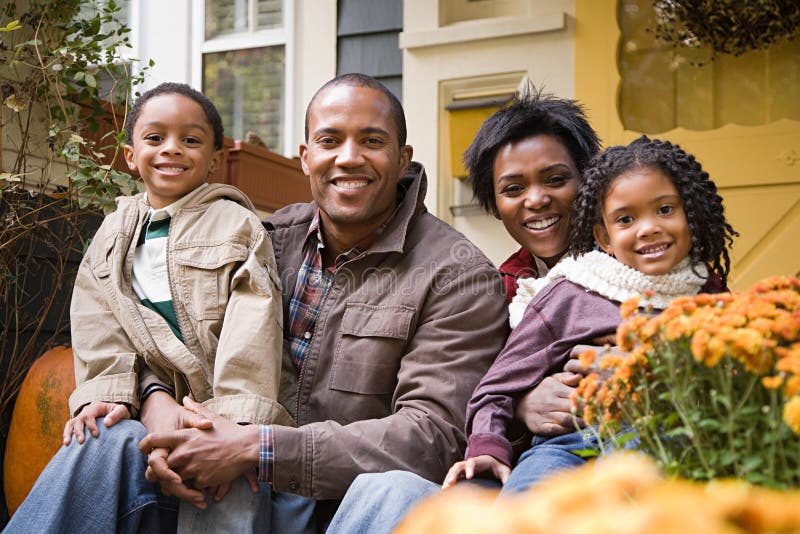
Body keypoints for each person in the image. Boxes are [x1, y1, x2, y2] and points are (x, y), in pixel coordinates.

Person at [6, 74, 509, 533]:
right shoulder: (262, 237)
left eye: (372, 141)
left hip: (342, 509)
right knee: (106, 442)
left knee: (398, 490)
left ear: (402, 158)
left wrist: (256, 449)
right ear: (305, 156)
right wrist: (157, 405)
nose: (349, 157)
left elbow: (432, 436)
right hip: (218, 487)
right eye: (330, 141)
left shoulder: (457, 274)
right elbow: (158, 328)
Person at [5, 82, 299, 532]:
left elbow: (253, 327)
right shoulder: (112, 235)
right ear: (130, 155)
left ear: (214, 159)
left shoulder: (237, 226)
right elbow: (99, 320)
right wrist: (108, 394)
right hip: (151, 405)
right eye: (156, 138)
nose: (172, 149)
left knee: (229, 490)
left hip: (223, 410)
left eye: (191, 139)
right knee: (97, 437)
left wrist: (233, 423)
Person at [326, 84, 603, 534]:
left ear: (589, 181)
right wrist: (522, 407)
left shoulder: (645, 269)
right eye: (514, 188)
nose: (536, 200)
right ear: (495, 204)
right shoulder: (499, 288)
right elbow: (476, 401)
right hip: (524, 471)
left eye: (555, 180)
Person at [443, 135, 736, 492]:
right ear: (604, 237)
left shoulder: (708, 297)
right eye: (625, 219)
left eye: (664, 210)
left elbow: (735, 381)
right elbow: (498, 386)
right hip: (566, 444)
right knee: (525, 504)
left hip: (661, 440)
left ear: (691, 215)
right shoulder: (571, 292)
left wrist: (650, 367)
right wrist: (490, 445)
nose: (648, 228)